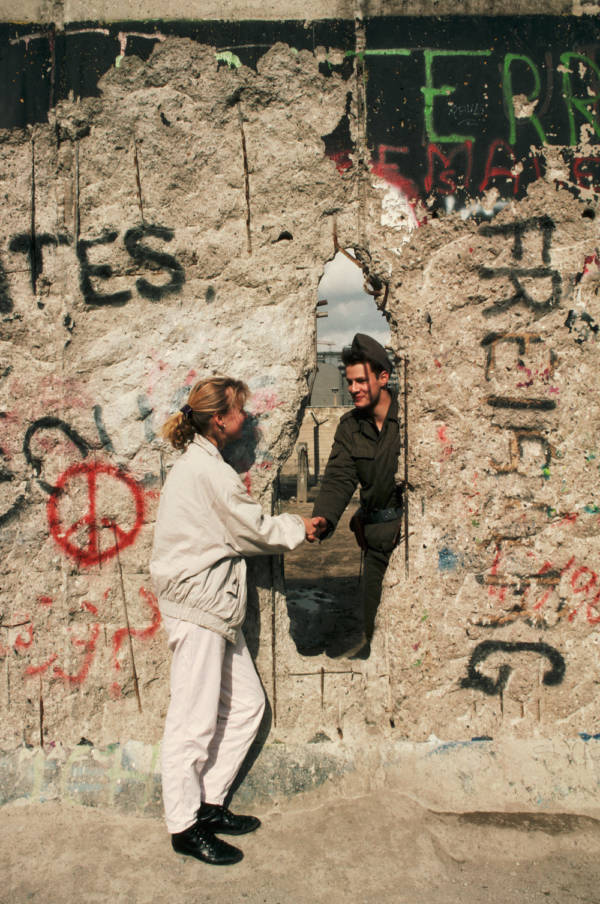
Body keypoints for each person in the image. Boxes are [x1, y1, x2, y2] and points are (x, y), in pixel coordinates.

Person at [150, 375, 320, 866]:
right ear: (220, 421)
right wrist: (299, 527)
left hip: (213, 608)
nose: (246, 419)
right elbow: (255, 530)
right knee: (192, 722)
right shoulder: (211, 474)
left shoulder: (203, 464)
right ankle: (184, 826)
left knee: (247, 706)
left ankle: (207, 802)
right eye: (240, 411)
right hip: (199, 608)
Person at [312, 334, 402, 659]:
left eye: (361, 381)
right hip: (376, 543)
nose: (353, 389)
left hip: (411, 541)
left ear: (382, 377)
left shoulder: (409, 420)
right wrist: (323, 518)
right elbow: (338, 478)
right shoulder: (350, 427)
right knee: (374, 626)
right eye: (349, 382)